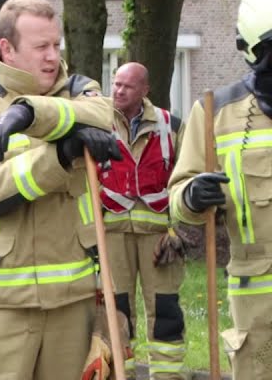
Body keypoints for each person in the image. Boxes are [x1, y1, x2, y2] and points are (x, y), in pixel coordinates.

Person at [0, 0, 121, 379]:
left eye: (56, 45)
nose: (53, 57)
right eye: (41, 47)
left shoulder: (79, 91)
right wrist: (61, 152)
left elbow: (106, 115)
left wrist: (28, 113)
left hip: (73, 302)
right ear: (7, 48)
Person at [168, 0, 272, 380]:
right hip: (257, 307)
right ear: (249, 51)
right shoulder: (216, 113)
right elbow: (178, 198)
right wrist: (194, 197)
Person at [100, 62, 186, 379]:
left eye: (128, 86)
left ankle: (168, 376)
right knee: (117, 312)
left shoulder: (172, 126)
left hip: (161, 236)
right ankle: (122, 374)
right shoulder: (96, 123)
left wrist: (180, 234)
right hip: (110, 232)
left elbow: (187, 179)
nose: (119, 90)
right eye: (116, 83)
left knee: (165, 311)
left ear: (145, 90)